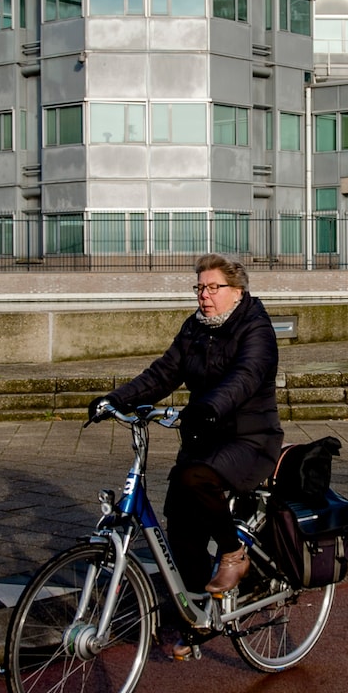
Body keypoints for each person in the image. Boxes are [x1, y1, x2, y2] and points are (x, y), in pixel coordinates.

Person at [94, 254, 284, 622]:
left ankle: (234, 555)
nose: (204, 295)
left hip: (249, 438)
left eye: (214, 287)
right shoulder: (195, 328)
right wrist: (116, 399)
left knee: (193, 478)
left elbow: (245, 377)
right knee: (179, 519)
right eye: (200, 287)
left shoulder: (256, 328)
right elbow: (164, 372)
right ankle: (196, 614)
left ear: (238, 291)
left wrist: (209, 406)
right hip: (204, 435)